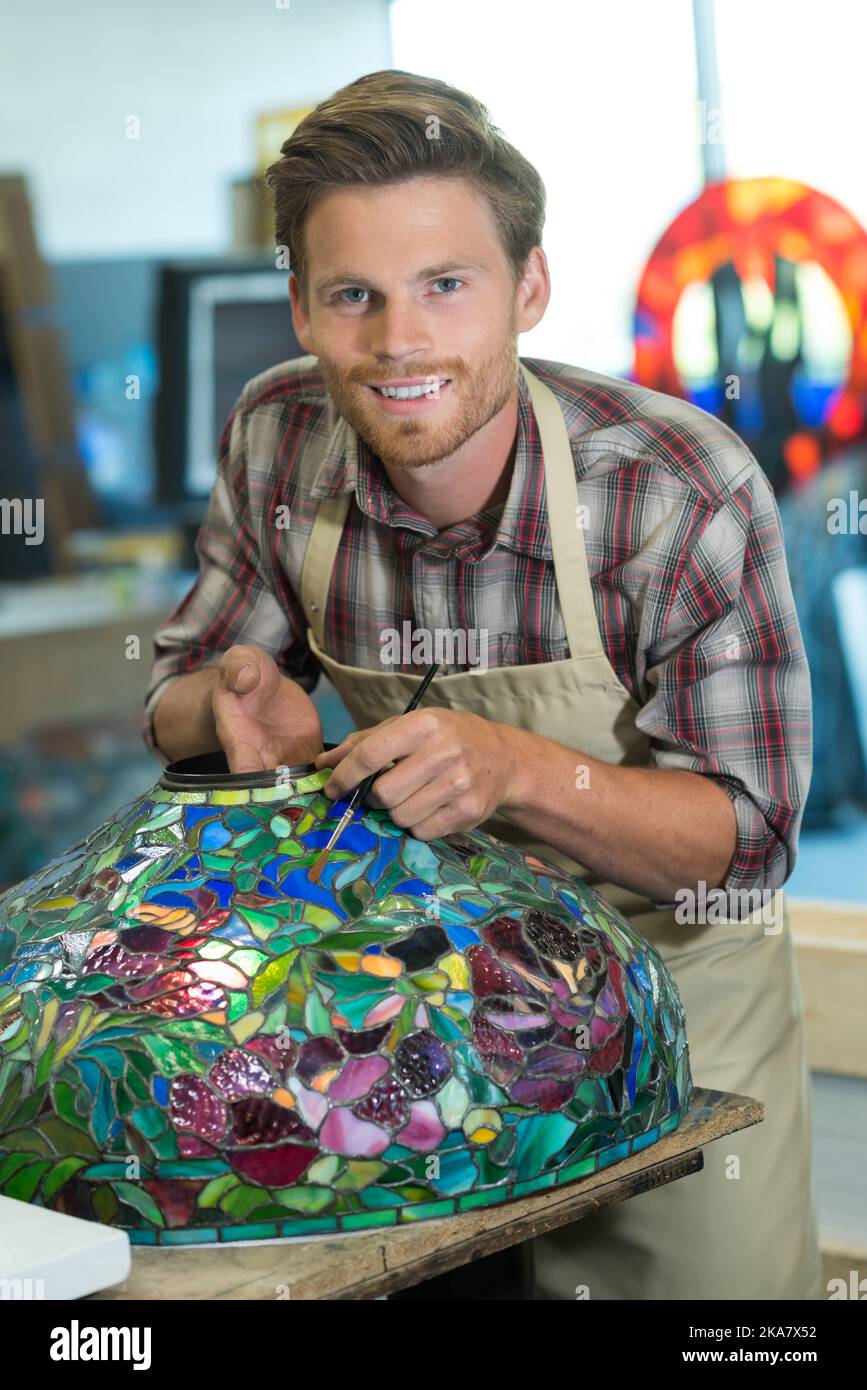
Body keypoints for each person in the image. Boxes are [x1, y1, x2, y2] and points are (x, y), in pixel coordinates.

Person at [143, 70, 823, 1301]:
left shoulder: (677, 489)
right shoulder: (275, 436)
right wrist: (225, 701)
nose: (400, 341)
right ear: (299, 306)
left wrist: (514, 769)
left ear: (532, 288)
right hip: (407, 1032)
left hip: (679, 1019)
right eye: (354, 295)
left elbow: (750, 840)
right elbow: (186, 686)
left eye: (446, 285)